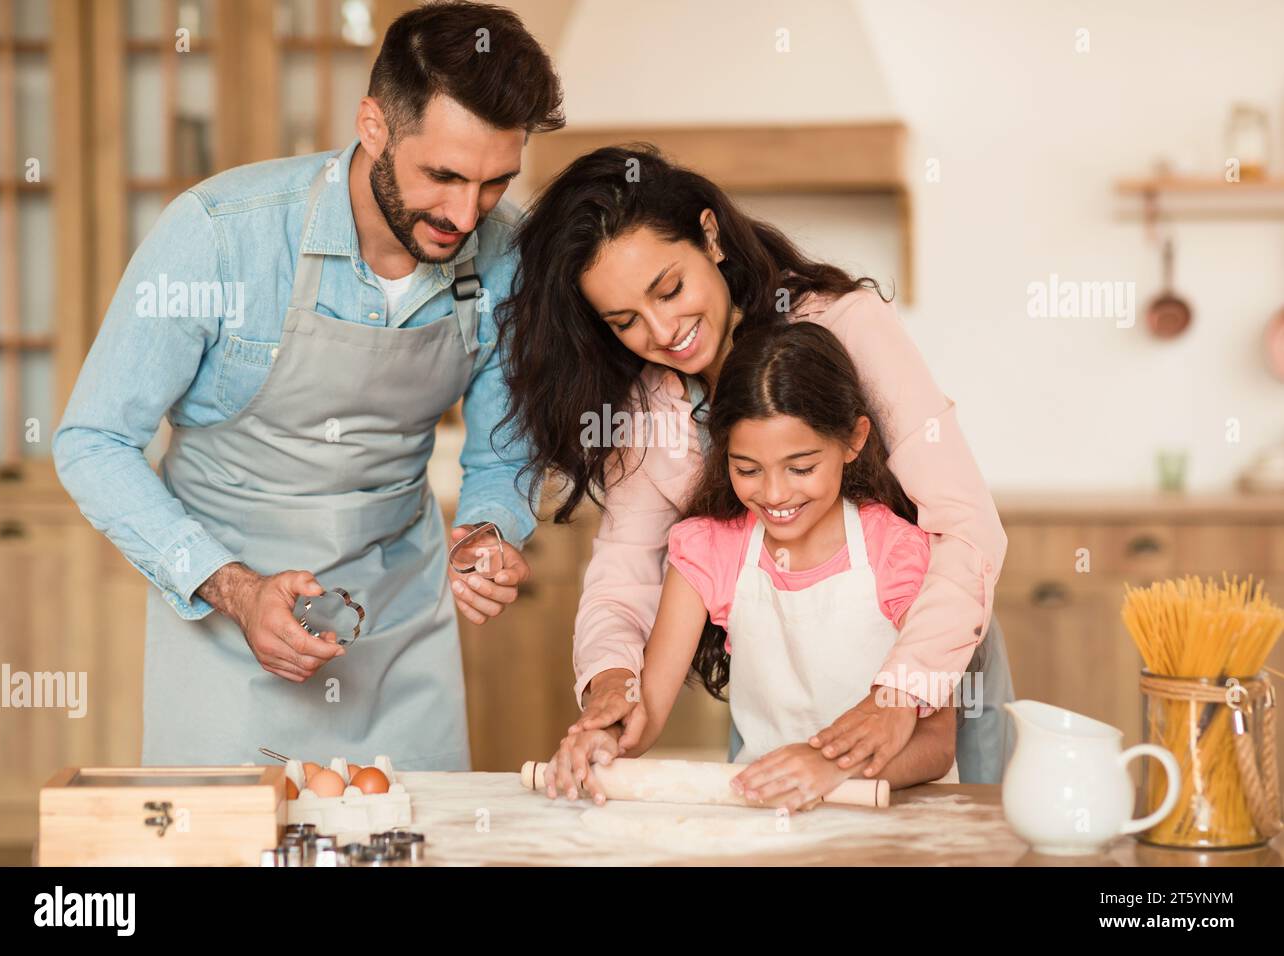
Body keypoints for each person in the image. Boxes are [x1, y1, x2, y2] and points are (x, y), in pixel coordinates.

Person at [52, 3, 563, 769]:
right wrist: (233, 589)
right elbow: (92, 442)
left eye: (494, 183)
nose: (465, 214)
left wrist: (490, 532)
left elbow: (503, 449)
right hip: (225, 630)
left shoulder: (507, 256)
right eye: (444, 176)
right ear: (373, 126)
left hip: (401, 633)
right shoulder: (221, 235)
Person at [499, 145, 1015, 788]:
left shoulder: (847, 328)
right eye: (625, 320)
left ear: (710, 237)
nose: (663, 331)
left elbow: (967, 527)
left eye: (671, 288)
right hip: (781, 691)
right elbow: (624, 572)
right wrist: (611, 689)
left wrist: (898, 695)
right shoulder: (645, 408)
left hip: (929, 668)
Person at [544, 323, 959, 808]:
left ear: (853, 440)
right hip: (767, 816)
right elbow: (648, 709)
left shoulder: (897, 550)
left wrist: (829, 767)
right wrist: (608, 735)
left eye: (800, 468)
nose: (776, 494)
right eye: (747, 469)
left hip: (890, 821)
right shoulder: (708, 549)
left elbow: (935, 744)